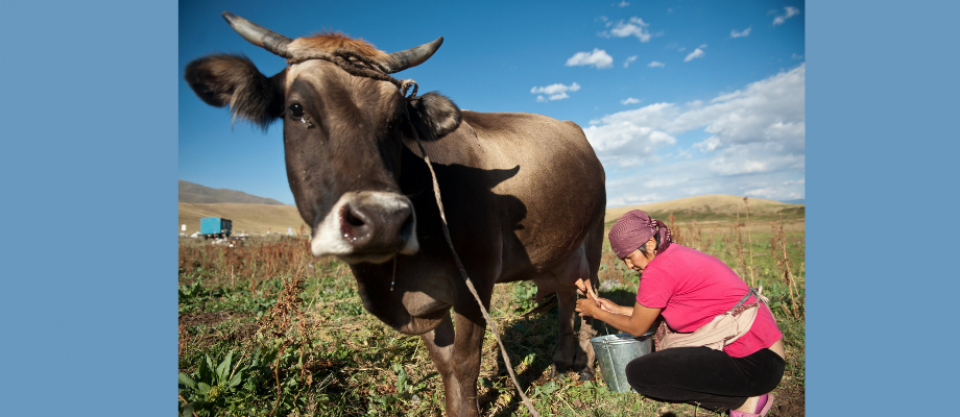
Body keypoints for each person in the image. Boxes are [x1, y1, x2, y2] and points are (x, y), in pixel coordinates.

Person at [575, 210, 785, 417]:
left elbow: (637, 327)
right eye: (624, 261)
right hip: (766, 355)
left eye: (630, 257)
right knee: (665, 362)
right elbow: (657, 311)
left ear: (649, 244)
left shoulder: (658, 270)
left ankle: (746, 401)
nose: (629, 265)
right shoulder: (673, 254)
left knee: (641, 374)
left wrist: (595, 312)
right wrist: (617, 309)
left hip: (754, 365)